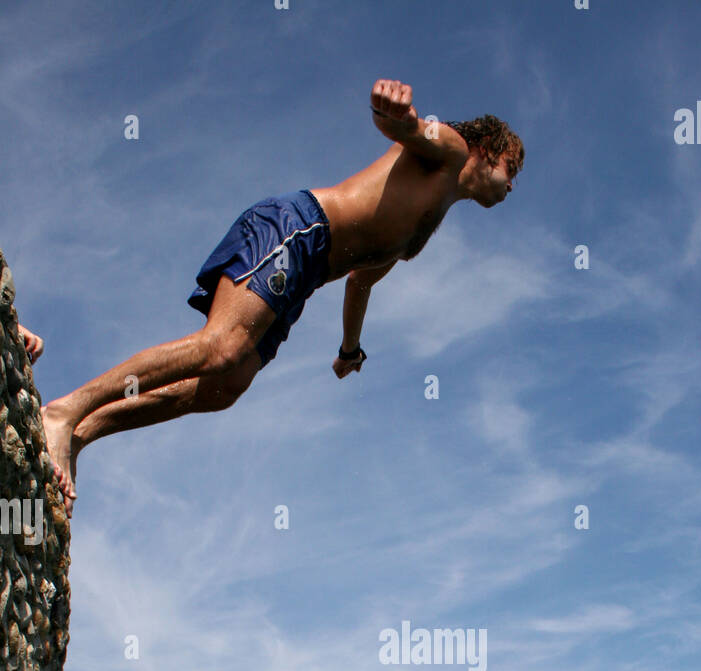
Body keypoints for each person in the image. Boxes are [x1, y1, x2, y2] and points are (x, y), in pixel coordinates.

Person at [38, 79, 524, 515]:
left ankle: (84, 433)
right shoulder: (455, 149)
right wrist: (392, 111)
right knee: (221, 346)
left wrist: (349, 349)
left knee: (224, 386)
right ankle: (65, 410)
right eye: (511, 169)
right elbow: (413, 128)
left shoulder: (425, 221)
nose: (512, 186)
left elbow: (361, 281)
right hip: (299, 227)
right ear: (489, 149)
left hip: (307, 275)